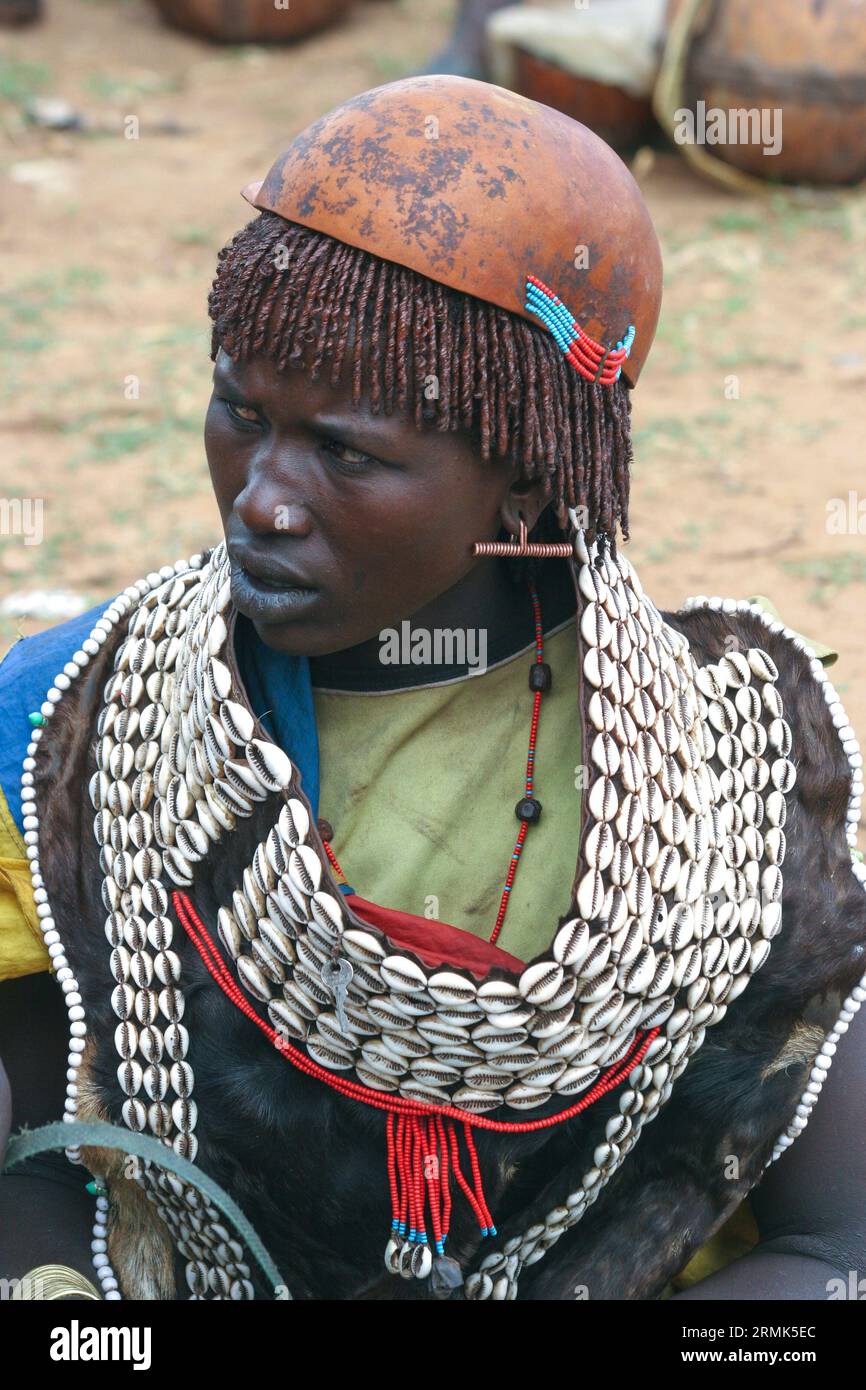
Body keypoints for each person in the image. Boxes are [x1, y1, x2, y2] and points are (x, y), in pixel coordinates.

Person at [1, 74, 865, 1302]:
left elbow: (836, 1253)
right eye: (239, 412)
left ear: (523, 482)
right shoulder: (72, 733)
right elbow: (34, 1166)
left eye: (346, 451)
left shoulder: (725, 791)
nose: (261, 496)